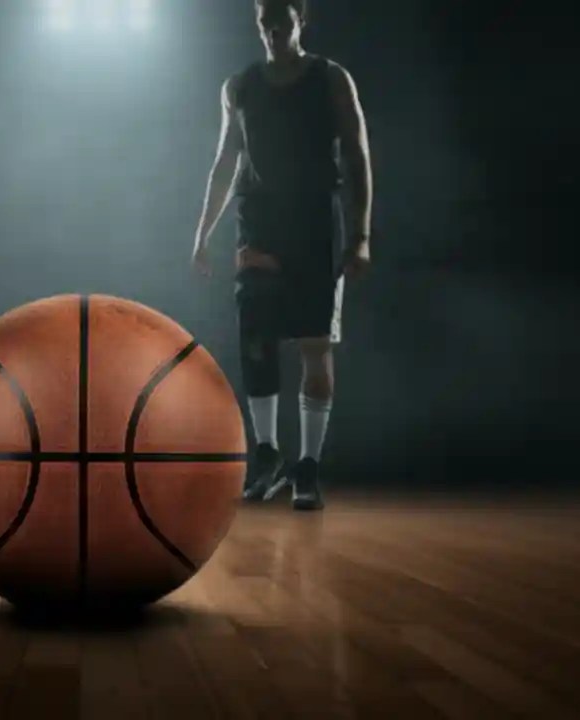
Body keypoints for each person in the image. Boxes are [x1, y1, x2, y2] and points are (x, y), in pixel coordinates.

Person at [191, 0, 373, 510]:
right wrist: (203, 231)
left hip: (315, 224)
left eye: (281, 24)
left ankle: (307, 466)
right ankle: (267, 453)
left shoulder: (331, 79)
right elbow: (226, 160)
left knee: (316, 347)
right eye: (264, 25)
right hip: (260, 227)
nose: (272, 33)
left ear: (300, 22)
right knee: (256, 337)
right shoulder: (239, 87)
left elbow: (357, 155)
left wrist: (360, 235)